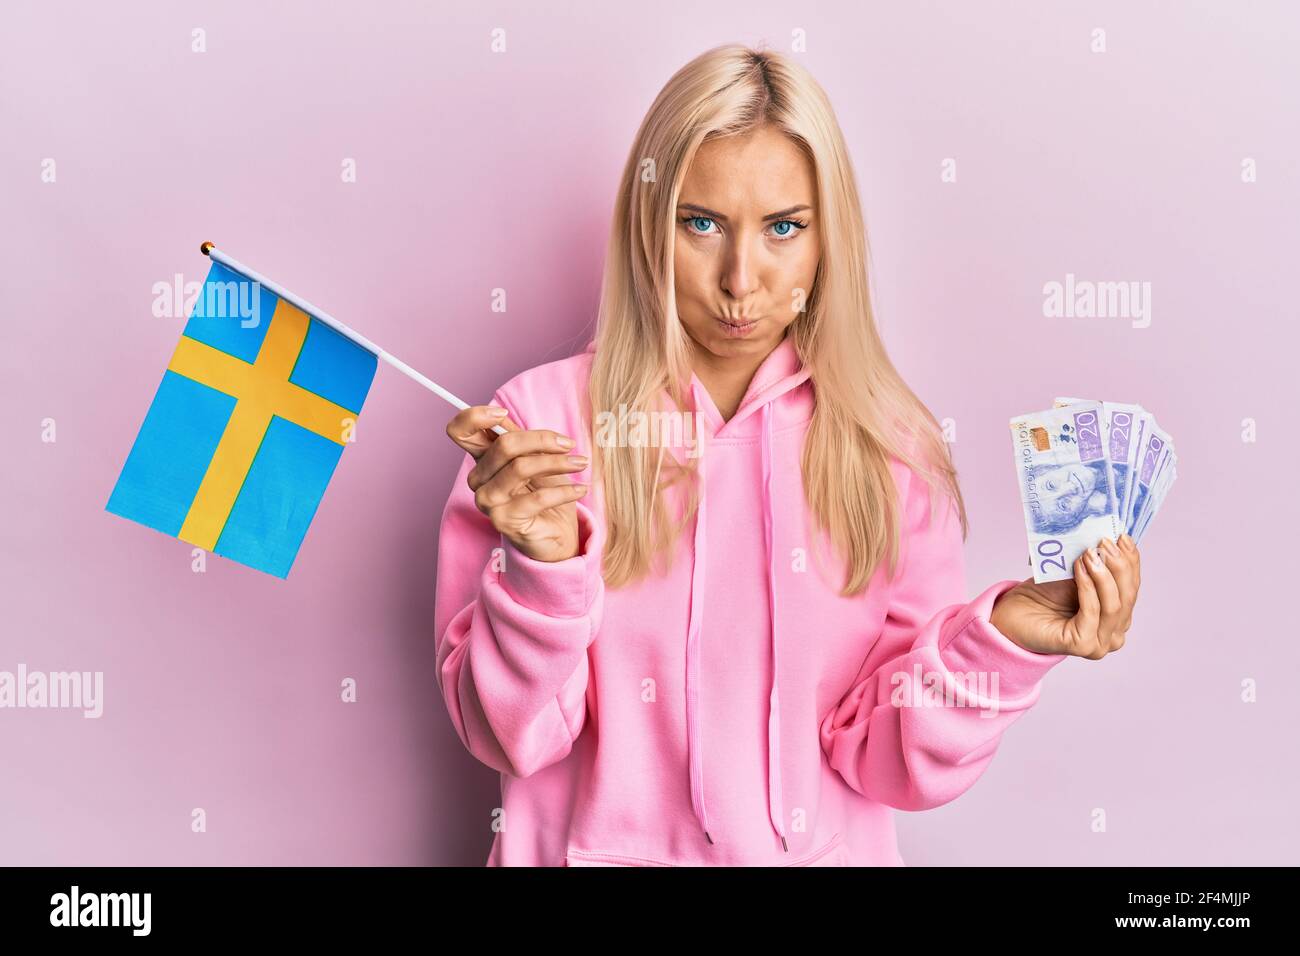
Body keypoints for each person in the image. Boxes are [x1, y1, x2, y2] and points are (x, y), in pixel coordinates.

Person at [434, 43, 1141, 867]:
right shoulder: (535, 432)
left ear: (825, 238)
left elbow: (886, 759)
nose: (741, 279)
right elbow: (505, 738)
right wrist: (544, 574)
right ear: (647, 224)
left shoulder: (889, 444)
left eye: (782, 228)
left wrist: (1005, 640)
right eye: (700, 224)